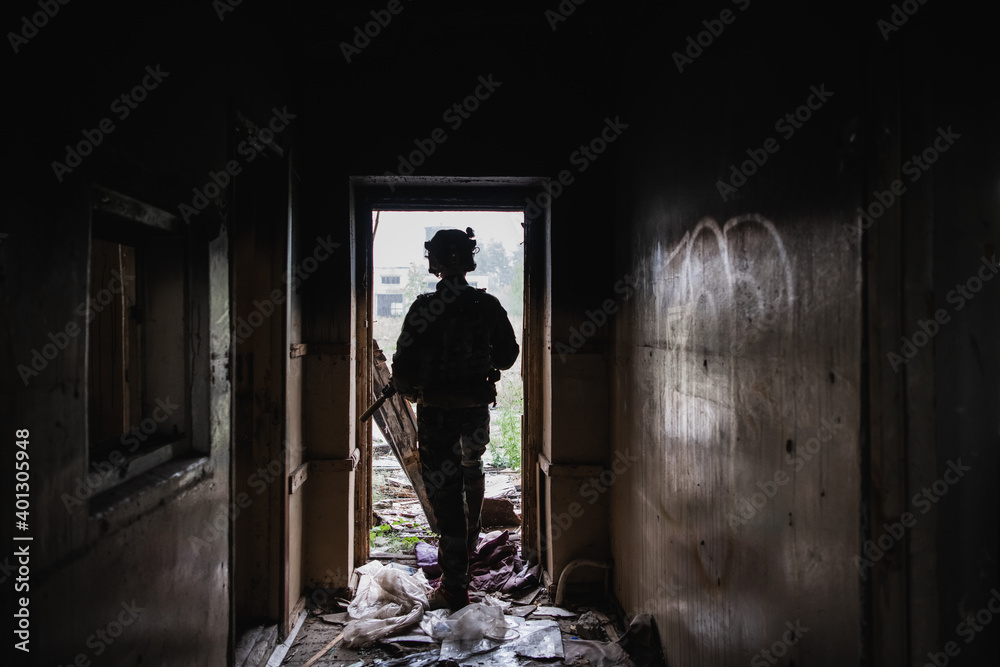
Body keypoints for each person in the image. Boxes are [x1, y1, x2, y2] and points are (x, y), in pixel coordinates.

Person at [391, 227, 519, 611]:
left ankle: (454, 584)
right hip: (474, 411)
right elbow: (509, 356)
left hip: (437, 415)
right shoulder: (487, 305)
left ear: (435, 262)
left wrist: (416, 391)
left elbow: (402, 372)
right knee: (472, 469)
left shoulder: (422, 308)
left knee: (445, 494)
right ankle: (468, 546)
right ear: (468, 259)